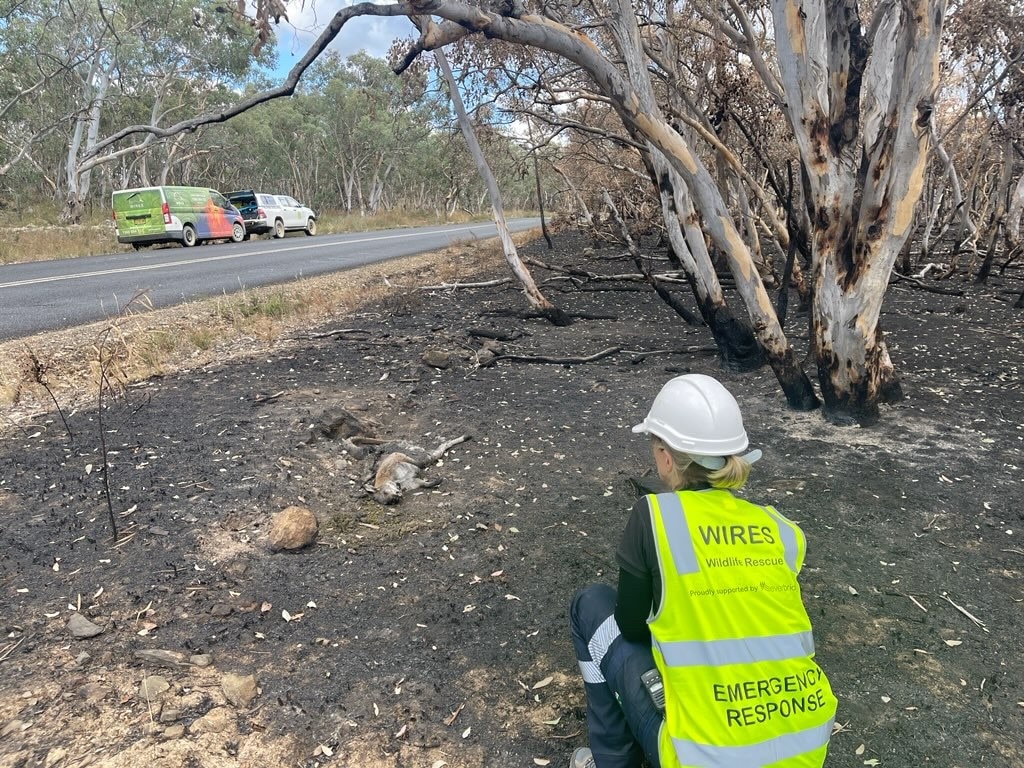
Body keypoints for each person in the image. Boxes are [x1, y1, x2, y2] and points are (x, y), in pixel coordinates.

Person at [568, 374, 837, 768]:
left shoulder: (655, 519)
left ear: (664, 456)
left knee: (589, 605)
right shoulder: (781, 530)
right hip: (803, 745)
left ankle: (612, 760)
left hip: (703, 756)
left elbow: (631, 627)